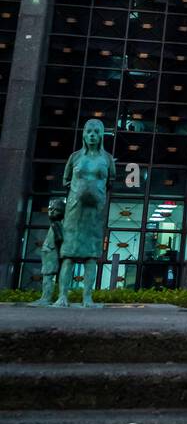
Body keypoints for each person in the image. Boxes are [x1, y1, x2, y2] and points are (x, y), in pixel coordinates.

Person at [56, 118, 115, 308]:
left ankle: (87, 297)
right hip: (75, 212)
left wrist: (95, 194)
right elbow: (65, 179)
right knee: (69, 255)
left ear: (101, 136)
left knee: (91, 255)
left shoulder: (106, 159)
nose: (92, 135)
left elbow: (111, 181)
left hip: (95, 213)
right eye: (89, 131)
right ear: (83, 134)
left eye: (96, 132)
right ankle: (62, 296)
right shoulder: (75, 157)